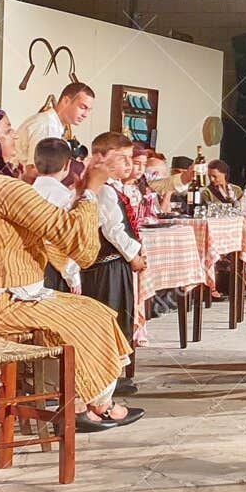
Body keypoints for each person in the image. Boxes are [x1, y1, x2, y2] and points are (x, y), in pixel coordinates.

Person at [0, 106, 142, 431]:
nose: (15, 136)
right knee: (93, 316)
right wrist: (90, 191)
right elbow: (71, 236)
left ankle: (88, 403)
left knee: (93, 311)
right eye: (7, 131)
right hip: (3, 304)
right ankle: (92, 406)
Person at [80, 132, 146, 343]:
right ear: (102, 158)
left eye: (130, 158)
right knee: (113, 316)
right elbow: (113, 230)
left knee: (120, 316)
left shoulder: (114, 188)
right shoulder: (105, 191)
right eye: (121, 158)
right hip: (108, 267)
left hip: (115, 264)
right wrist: (133, 256)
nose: (128, 163)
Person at [31, 137, 84, 297]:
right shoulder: (65, 197)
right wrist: (73, 277)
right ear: (67, 164)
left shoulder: (27, 192)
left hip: (29, 266)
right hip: (55, 269)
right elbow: (66, 241)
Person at [14, 82, 95, 180]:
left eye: (89, 110)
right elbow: (34, 171)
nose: (85, 115)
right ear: (66, 101)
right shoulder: (47, 126)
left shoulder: (54, 125)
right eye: (83, 107)